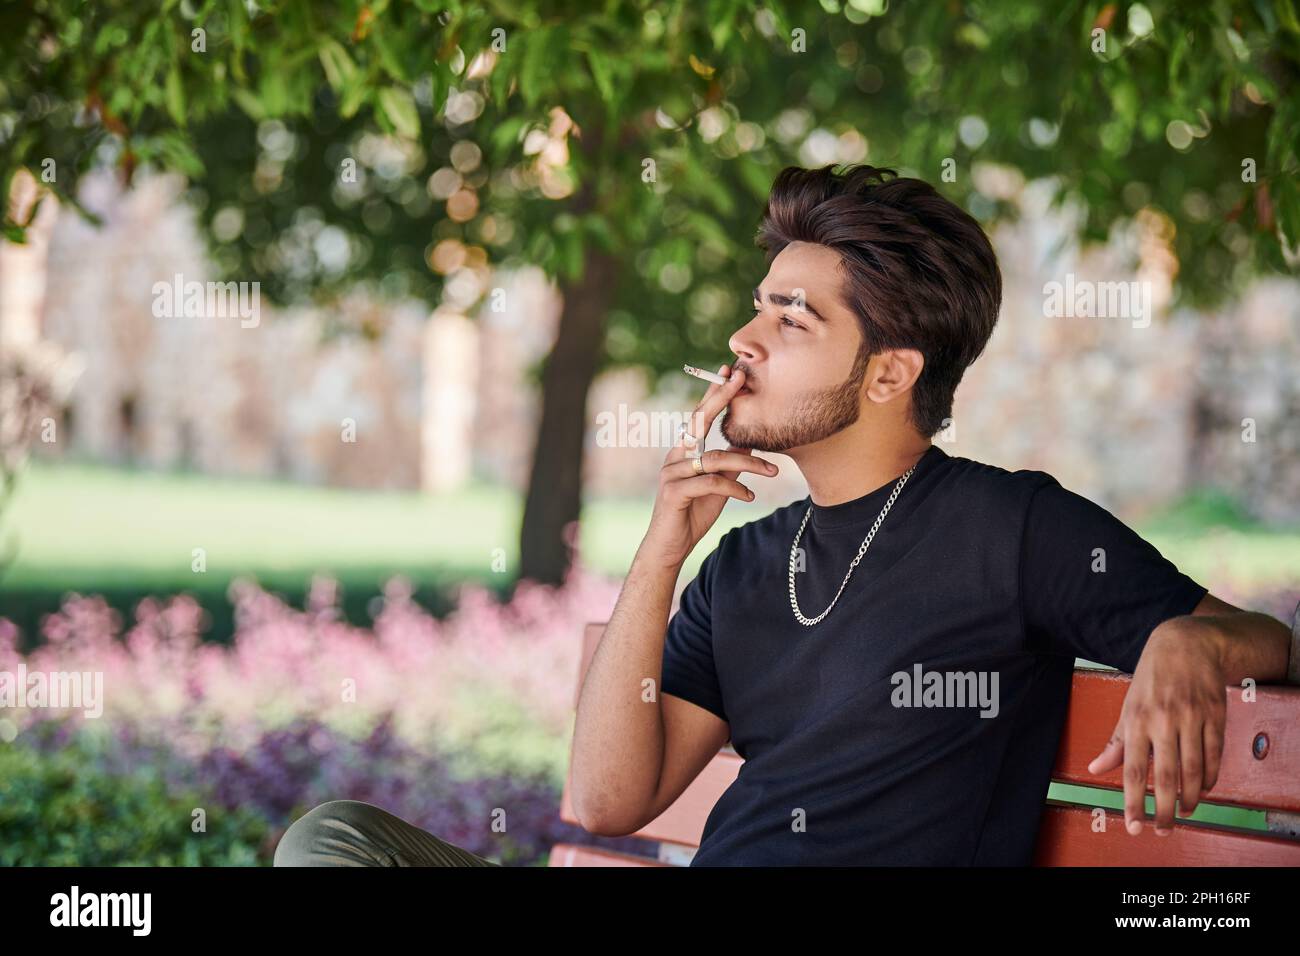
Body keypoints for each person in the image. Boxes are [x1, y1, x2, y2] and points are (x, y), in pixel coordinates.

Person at [275, 164, 1292, 867]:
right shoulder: (743, 565)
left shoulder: (1008, 524)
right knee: (334, 842)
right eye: (759, 304)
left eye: (789, 317)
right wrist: (663, 546)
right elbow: (609, 799)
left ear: (890, 371)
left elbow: (1260, 639)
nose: (741, 337)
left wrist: (1187, 643)